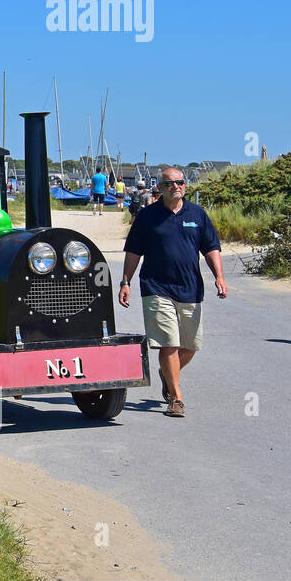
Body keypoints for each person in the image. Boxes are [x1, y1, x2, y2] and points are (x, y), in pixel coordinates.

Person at [118, 167, 228, 418]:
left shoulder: (198, 215)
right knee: (169, 344)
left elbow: (211, 248)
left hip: (190, 288)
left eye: (179, 182)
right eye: (169, 184)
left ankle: (168, 374)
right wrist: (126, 282)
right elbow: (134, 251)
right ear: (160, 187)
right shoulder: (147, 216)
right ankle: (176, 398)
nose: (175, 187)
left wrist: (219, 277)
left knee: (190, 346)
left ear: (185, 186)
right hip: (156, 288)